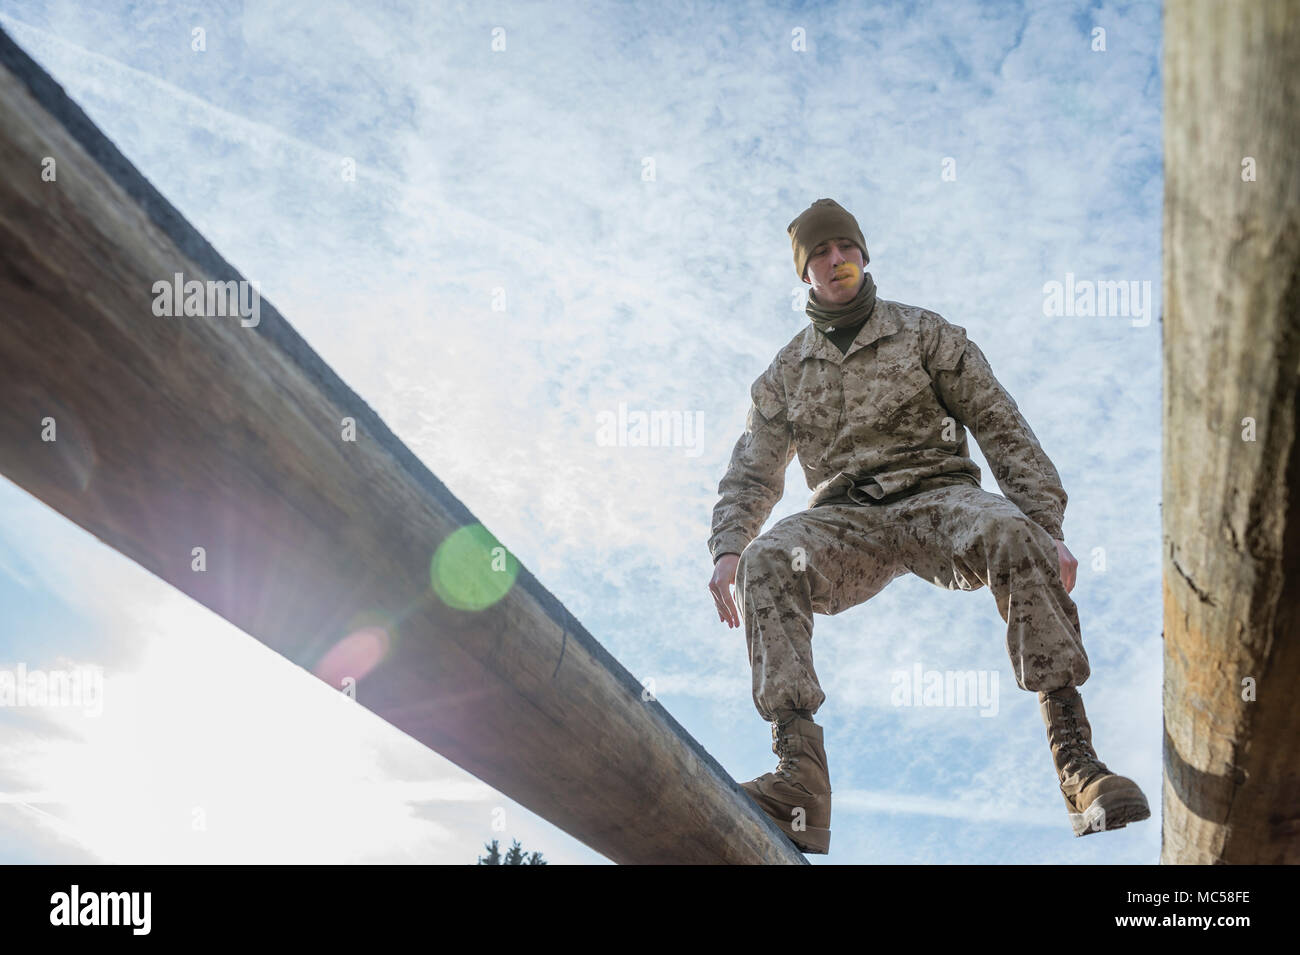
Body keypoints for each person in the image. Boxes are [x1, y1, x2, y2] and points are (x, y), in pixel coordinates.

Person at [707, 197, 1150, 854]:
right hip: (845, 521)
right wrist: (728, 547)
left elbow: (999, 421)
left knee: (1013, 532)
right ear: (805, 273)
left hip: (937, 499)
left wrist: (1045, 524)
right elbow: (753, 468)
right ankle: (800, 776)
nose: (836, 260)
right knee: (771, 558)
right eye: (820, 254)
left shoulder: (923, 333)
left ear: (862, 253)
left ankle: (1078, 764)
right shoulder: (784, 374)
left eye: (844, 247)